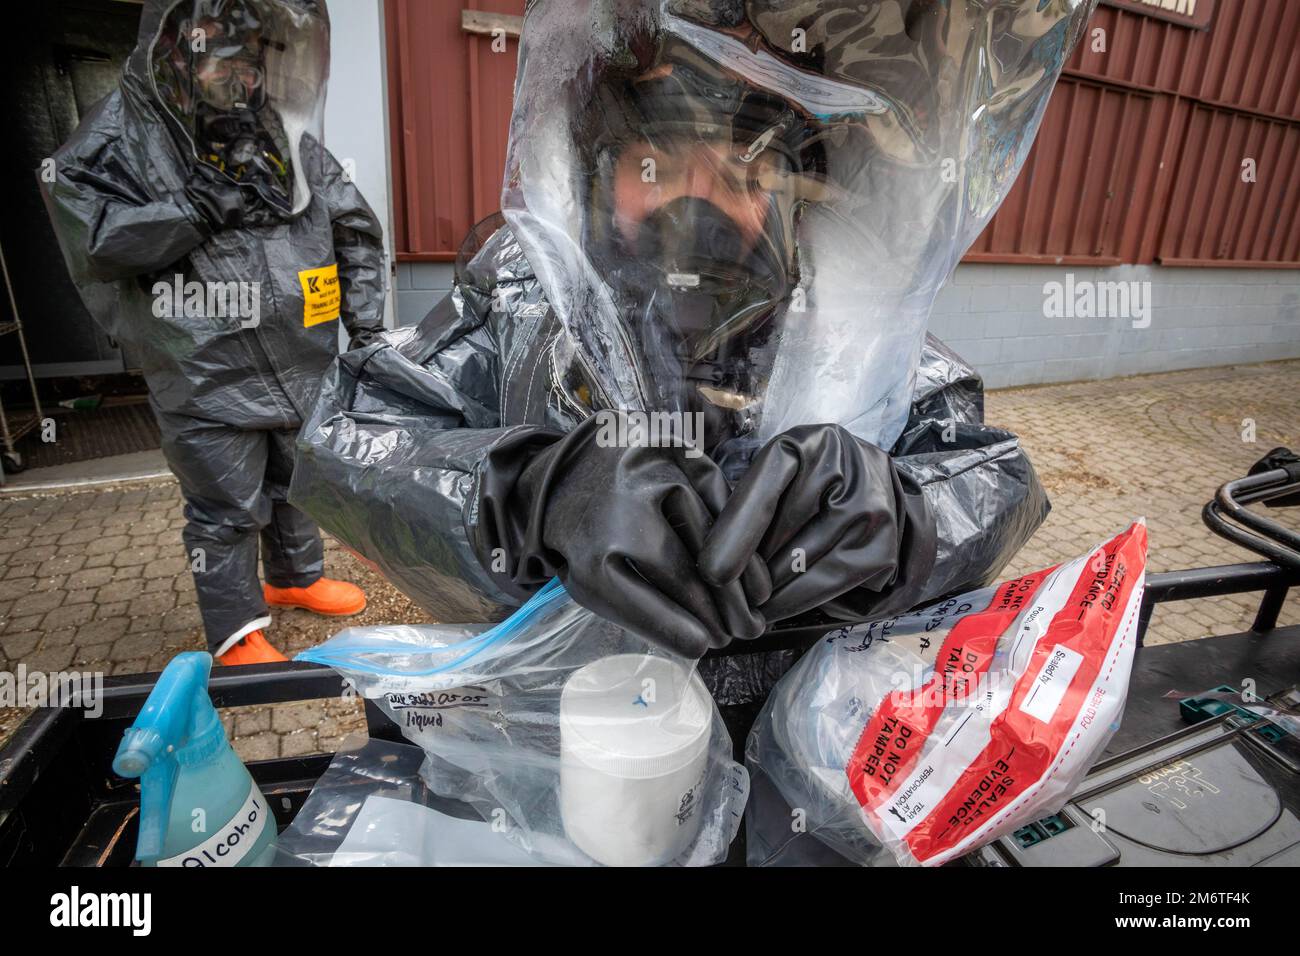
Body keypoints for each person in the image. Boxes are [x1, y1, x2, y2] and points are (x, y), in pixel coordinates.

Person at [291, 1, 1088, 704]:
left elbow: (998, 480)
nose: (698, 201)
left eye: (747, 167)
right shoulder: (523, 296)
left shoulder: (849, 331)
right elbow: (351, 434)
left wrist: (906, 519)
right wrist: (524, 493)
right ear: (596, 169)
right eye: (660, 163)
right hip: (571, 742)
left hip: (789, 741)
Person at [42, 0, 386, 664]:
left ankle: (295, 579)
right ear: (180, 53)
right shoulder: (119, 137)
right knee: (224, 507)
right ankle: (234, 633)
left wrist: (366, 328)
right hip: (205, 374)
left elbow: (354, 227)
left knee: (297, 484)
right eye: (229, 60)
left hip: (301, 360)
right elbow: (92, 241)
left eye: (256, 61)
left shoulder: (281, 135)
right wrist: (190, 210)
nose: (247, 77)